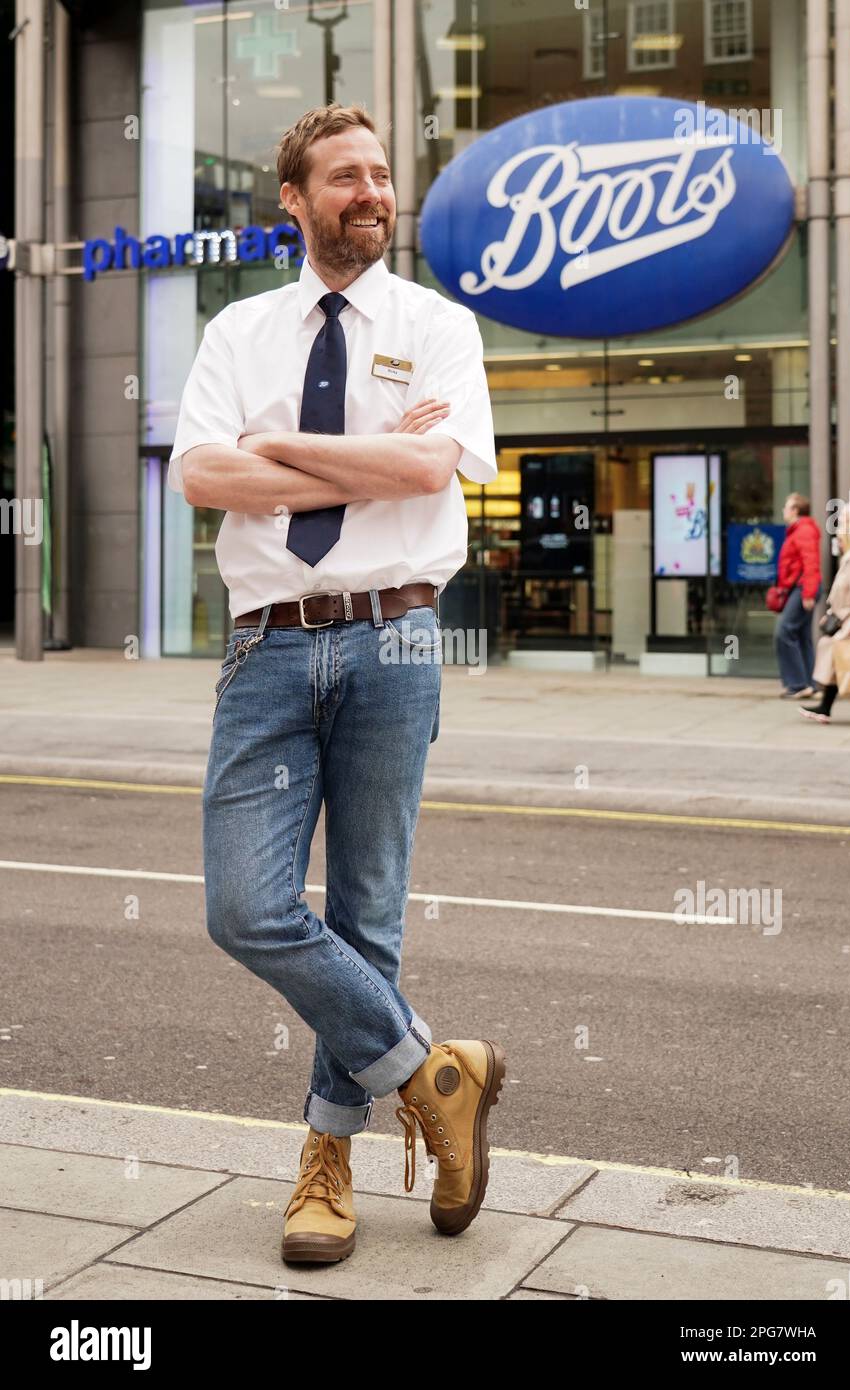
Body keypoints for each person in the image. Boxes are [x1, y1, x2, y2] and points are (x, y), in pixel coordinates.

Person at [168, 103, 506, 1264]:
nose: (370, 189)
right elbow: (199, 478)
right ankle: (433, 1072)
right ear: (295, 201)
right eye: (344, 175)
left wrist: (276, 454)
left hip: (396, 638)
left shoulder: (438, 324)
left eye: (379, 173)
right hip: (267, 643)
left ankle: (327, 1157)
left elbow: (427, 465)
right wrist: (353, 462)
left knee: (365, 913)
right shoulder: (238, 333)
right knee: (245, 907)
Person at [800, 499, 850, 722]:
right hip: (849, 617)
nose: (838, 529)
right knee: (837, 657)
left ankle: (824, 706)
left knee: (846, 657)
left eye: (843, 522)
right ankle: (824, 707)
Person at [774, 492, 822, 698]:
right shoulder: (798, 530)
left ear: (795, 510)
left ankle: (797, 684)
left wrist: (808, 593)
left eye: (786, 506)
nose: (784, 510)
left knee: (784, 632)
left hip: (804, 588)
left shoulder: (803, 530)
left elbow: (810, 563)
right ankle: (812, 684)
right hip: (801, 588)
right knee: (802, 637)